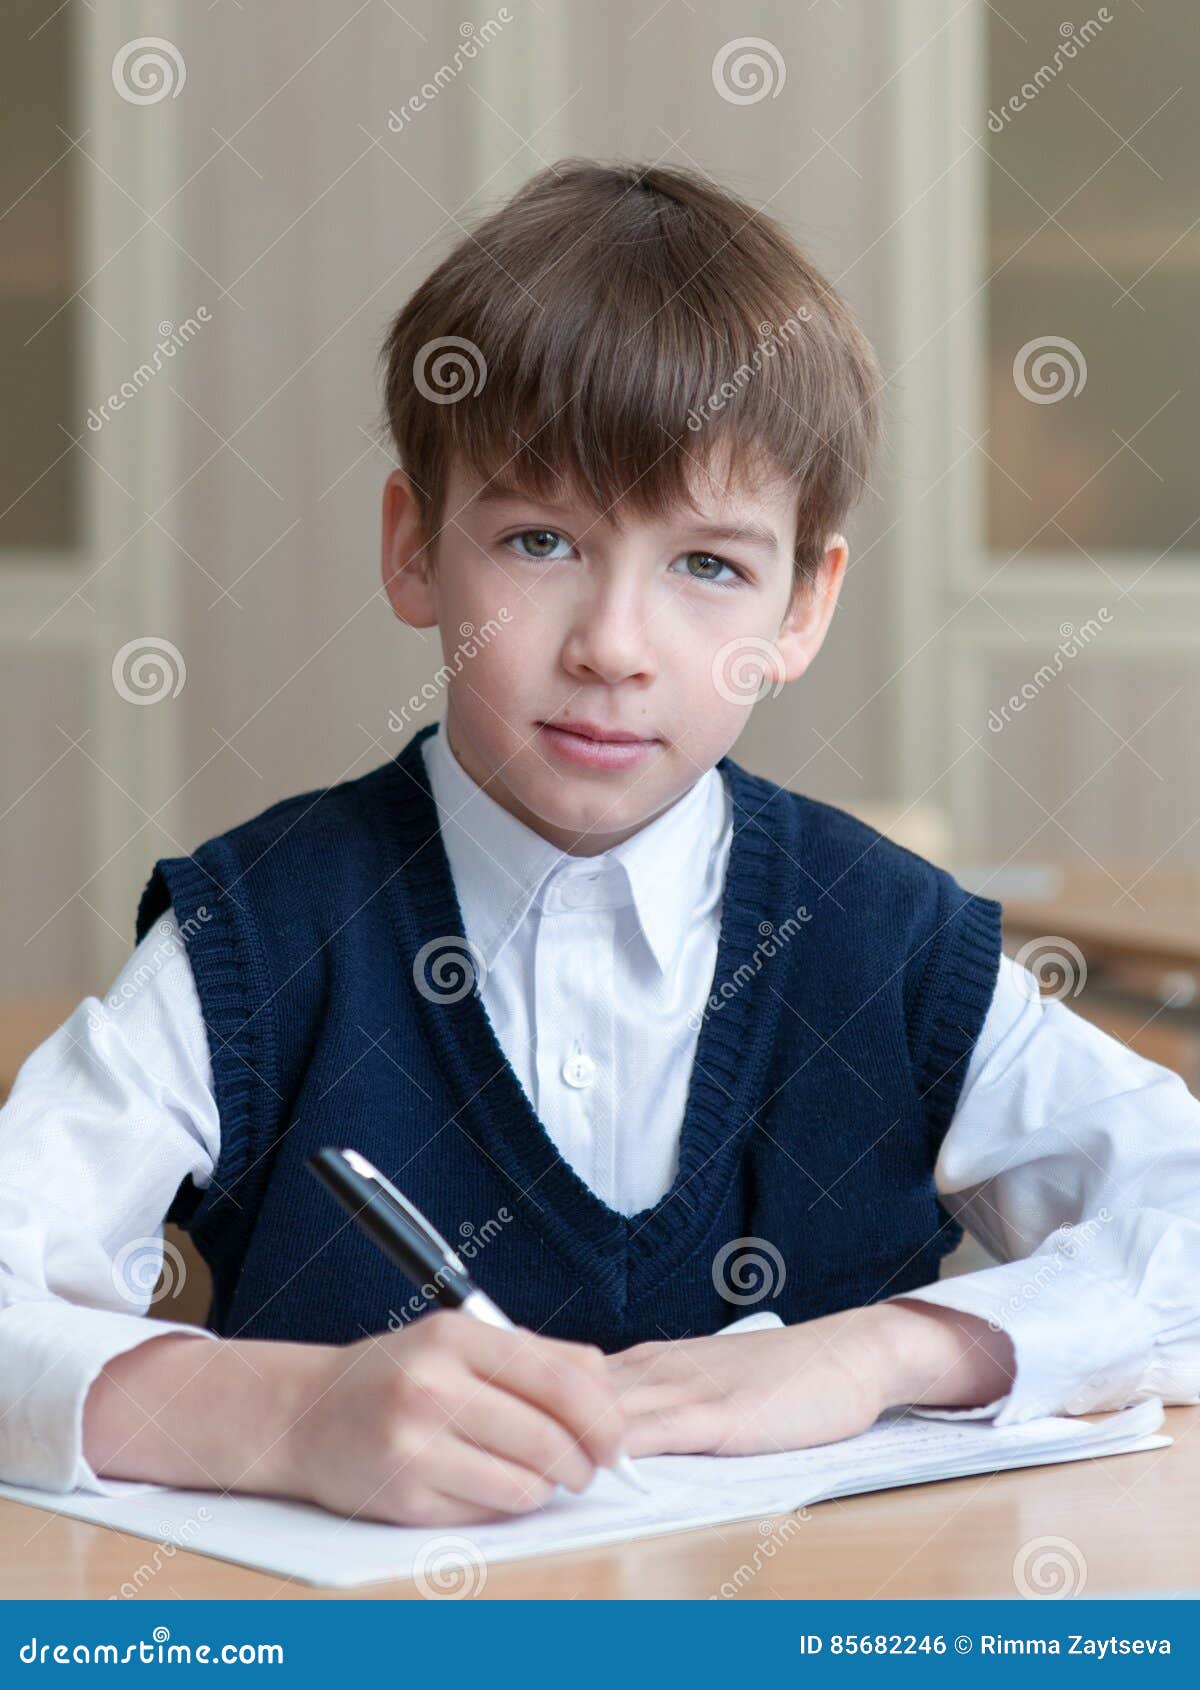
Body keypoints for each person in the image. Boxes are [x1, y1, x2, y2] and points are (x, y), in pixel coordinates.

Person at [2, 160, 1197, 1529]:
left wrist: (883, 1353)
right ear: (415, 548)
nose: (614, 647)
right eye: (538, 541)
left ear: (803, 606)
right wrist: (290, 1413)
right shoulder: (260, 938)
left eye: (709, 566)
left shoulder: (885, 945)